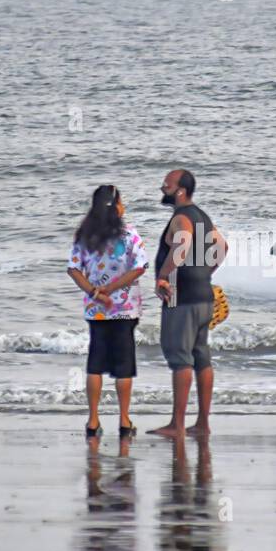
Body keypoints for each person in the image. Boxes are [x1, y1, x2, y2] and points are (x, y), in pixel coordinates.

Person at [149, 169, 228, 438]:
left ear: (180, 190)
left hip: (180, 296)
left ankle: (177, 425)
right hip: (203, 294)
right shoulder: (202, 216)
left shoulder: (181, 217)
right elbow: (222, 246)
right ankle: (202, 423)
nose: (162, 189)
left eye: (167, 185)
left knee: (180, 359)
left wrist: (163, 277)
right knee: (201, 357)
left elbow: (181, 247)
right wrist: (205, 273)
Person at [67, 185, 149, 438]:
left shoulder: (85, 235)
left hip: (96, 310)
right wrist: (111, 289)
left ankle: (93, 420)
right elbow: (140, 266)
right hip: (124, 309)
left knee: (95, 365)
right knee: (124, 366)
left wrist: (95, 292)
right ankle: (124, 419)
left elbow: (73, 269)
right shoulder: (129, 233)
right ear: (117, 206)